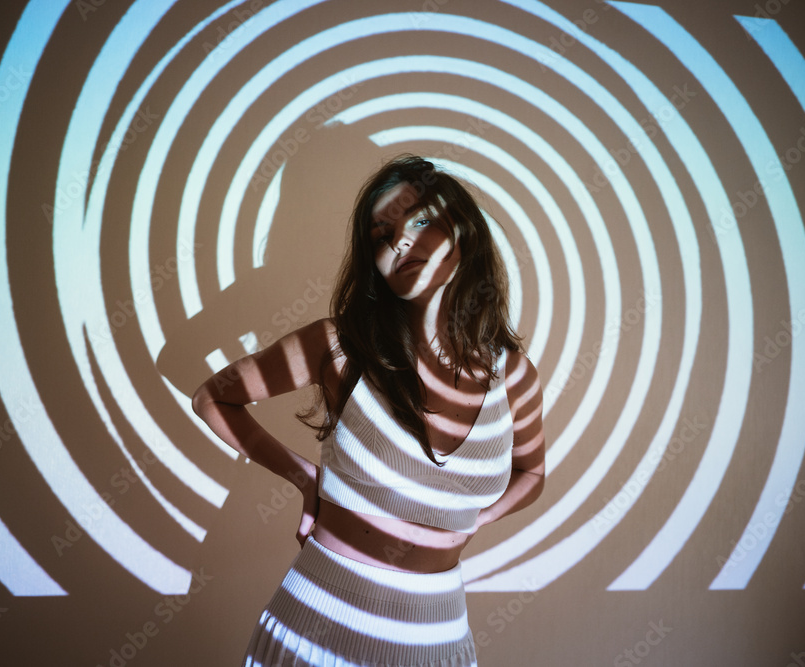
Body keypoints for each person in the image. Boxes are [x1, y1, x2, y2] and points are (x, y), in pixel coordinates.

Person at [192, 155, 545, 667]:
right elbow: (212, 396)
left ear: (464, 233)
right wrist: (305, 477)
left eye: (419, 220)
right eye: (382, 235)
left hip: (438, 640)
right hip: (317, 632)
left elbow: (532, 471)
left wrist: (471, 516)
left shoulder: (512, 375)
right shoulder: (340, 346)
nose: (399, 241)